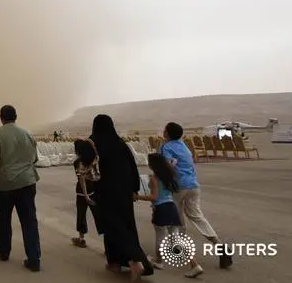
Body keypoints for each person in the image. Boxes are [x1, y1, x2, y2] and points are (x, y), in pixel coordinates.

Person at [160, 122, 232, 270]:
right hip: (193, 185)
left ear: (168, 133)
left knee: (175, 219)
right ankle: (218, 244)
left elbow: (167, 166)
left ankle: (181, 250)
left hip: (177, 187)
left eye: (165, 130)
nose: (163, 132)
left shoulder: (166, 147)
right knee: (197, 216)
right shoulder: (183, 145)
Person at [89, 114, 152, 281]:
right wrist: (134, 189)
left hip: (104, 191)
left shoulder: (92, 143)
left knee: (113, 226)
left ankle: (135, 262)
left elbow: (87, 168)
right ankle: (115, 262)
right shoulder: (120, 143)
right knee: (125, 223)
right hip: (123, 191)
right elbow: (132, 166)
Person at [0, 105, 41, 272]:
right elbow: (34, 159)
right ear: (16, 116)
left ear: (1, 118)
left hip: (6, 185)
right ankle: (34, 259)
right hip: (28, 183)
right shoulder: (27, 134)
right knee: (29, 220)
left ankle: (4, 251)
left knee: (4, 218)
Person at [135, 153, 203, 277]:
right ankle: (194, 264)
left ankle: (159, 261)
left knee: (160, 235)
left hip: (161, 209)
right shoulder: (169, 176)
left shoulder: (154, 179)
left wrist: (137, 196)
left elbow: (154, 197)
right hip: (171, 207)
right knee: (176, 238)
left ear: (152, 165)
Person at [72, 139, 101, 248]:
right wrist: (89, 142)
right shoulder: (95, 159)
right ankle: (107, 240)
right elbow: (95, 150)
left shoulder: (78, 163)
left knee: (81, 215)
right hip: (93, 189)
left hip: (82, 193)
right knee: (98, 216)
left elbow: (81, 180)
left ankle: (81, 238)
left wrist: (86, 196)